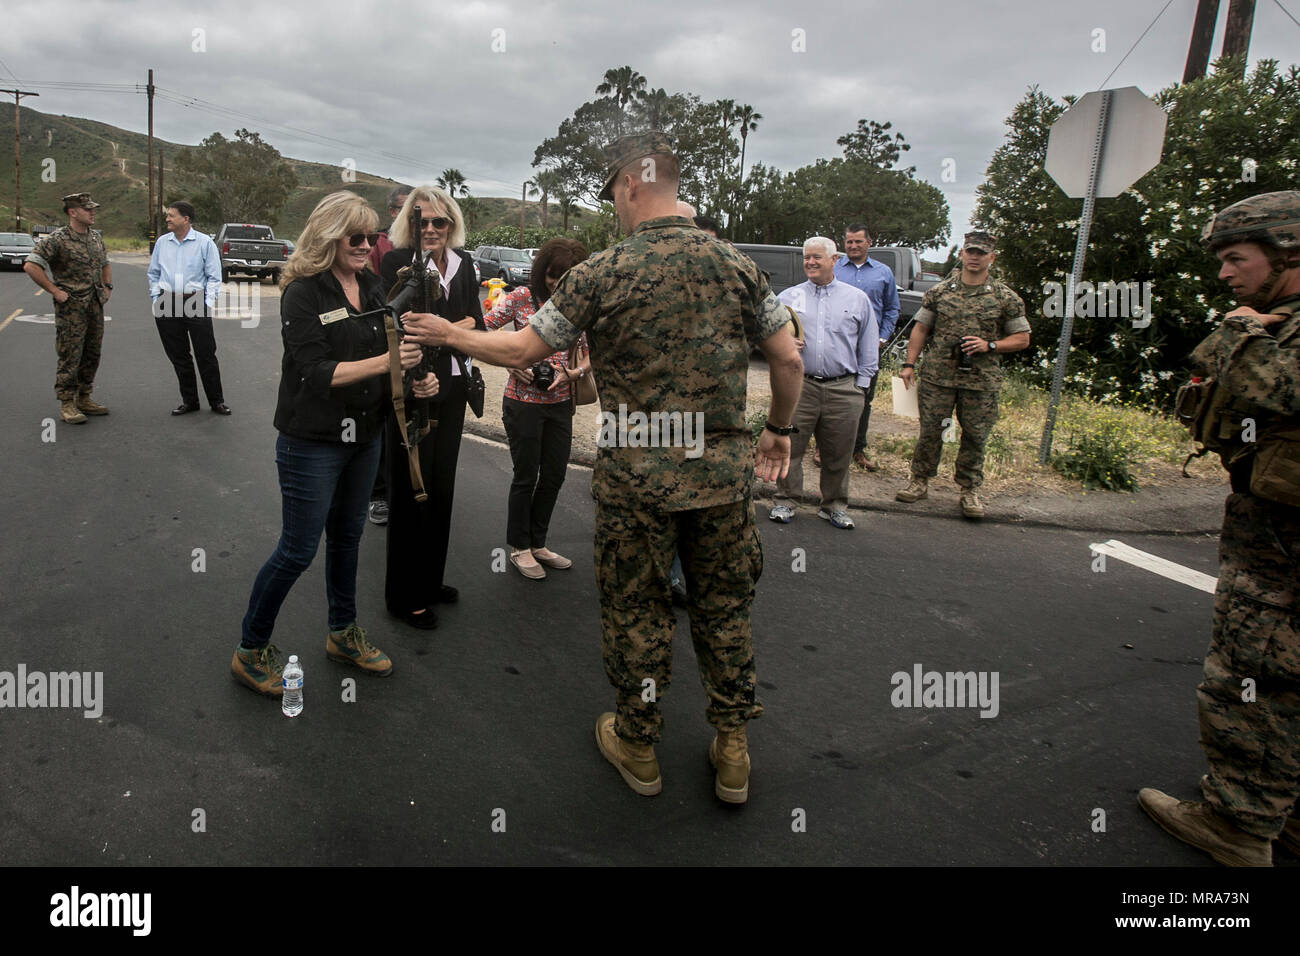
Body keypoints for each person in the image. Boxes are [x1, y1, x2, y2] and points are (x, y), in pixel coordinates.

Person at [403, 132, 803, 803]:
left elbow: (523, 347)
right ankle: (733, 747)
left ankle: (639, 745)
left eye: (611, 195)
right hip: (721, 475)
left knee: (638, 608)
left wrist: (447, 333)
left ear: (629, 187)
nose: (613, 207)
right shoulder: (737, 266)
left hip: (638, 477)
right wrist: (779, 433)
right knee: (724, 607)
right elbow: (789, 360)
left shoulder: (604, 272)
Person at [1139, 191, 1300, 867]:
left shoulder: (1267, 330)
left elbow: (1278, 391)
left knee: (1250, 673)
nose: (1227, 275)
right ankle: (1280, 813)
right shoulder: (1282, 321)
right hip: (1274, 525)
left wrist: (1237, 328)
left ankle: (1236, 824)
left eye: (1238, 258)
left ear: (1288, 252)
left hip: (1281, 548)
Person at [232, 191, 435, 695]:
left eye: (371, 236)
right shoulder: (303, 293)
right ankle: (250, 649)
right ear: (328, 237)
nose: (367, 245)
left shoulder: (371, 284)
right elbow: (316, 371)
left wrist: (416, 382)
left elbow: (387, 349)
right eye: (356, 237)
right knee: (297, 550)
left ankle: (343, 633)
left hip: (364, 437)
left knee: (347, 539)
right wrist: (389, 365)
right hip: (311, 441)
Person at [379, 185, 485, 629]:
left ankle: (430, 578)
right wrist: (450, 327)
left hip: (455, 385)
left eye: (440, 222)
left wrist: (445, 327)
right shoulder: (395, 262)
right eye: (422, 221)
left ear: (452, 225)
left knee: (441, 486)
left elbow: (475, 320)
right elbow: (400, 322)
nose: (431, 230)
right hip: (413, 385)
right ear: (410, 223)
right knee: (410, 488)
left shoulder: (464, 265)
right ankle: (404, 596)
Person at [894, 231, 1030, 519]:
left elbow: (1021, 339)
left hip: (981, 381)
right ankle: (919, 481)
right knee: (930, 432)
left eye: (981, 253)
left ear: (991, 257)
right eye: (970, 251)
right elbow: (920, 329)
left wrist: (990, 345)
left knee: (975, 436)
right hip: (938, 377)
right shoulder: (940, 292)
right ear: (962, 254)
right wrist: (908, 365)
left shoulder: (1005, 297)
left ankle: (969, 490)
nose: (974, 257)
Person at [483, 238, 591, 580]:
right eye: (552, 275)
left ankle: (538, 542)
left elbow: (592, 350)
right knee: (526, 475)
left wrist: (575, 373)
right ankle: (519, 547)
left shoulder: (579, 305)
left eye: (566, 276)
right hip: (522, 403)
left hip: (561, 403)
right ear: (542, 270)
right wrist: (509, 362)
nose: (557, 283)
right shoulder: (521, 299)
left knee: (555, 475)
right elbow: (483, 329)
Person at [768, 237, 877, 530]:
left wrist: (861, 387)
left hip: (844, 387)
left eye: (817, 257)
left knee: (838, 452)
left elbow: (868, 347)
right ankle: (786, 500)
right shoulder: (787, 298)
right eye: (807, 258)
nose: (811, 262)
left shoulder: (857, 299)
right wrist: (784, 343)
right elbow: (769, 339)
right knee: (791, 445)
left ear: (834, 260)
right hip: (800, 385)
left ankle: (834, 506)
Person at [23, 192, 112, 425]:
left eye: (93, 208)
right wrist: (54, 290)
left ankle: (84, 397)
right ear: (73, 212)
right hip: (71, 307)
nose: (93, 212)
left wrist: (107, 287)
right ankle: (67, 402)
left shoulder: (94, 238)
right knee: (70, 353)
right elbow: (31, 266)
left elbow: (105, 263)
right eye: (88, 209)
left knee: (92, 352)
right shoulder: (58, 239)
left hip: (94, 304)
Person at [146, 201, 230, 416]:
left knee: (206, 354)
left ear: (186, 219)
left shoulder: (204, 243)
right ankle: (189, 401)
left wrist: (206, 303)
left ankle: (216, 401)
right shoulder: (162, 243)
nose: (167, 219)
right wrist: (156, 296)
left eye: (171, 215)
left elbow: (214, 277)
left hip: (195, 301)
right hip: (166, 302)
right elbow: (153, 273)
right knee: (179, 356)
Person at [834, 222, 900, 470]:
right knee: (832, 398)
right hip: (839, 345)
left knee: (863, 399)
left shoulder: (883, 273)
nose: (852, 246)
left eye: (858, 241)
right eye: (849, 241)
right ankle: (825, 448)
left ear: (869, 243)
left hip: (868, 349)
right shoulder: (834, 269)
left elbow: (892, 308)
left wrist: (882, 338)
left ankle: (857, 450)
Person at [367, 186, 410, 527]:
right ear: (393, 212)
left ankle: (409, 485)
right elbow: (374, 296)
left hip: (420, 345)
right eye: (405, 208)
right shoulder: (377, 245)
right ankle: (379, 494)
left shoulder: (427, 247)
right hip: (385, 341)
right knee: (386, 416)